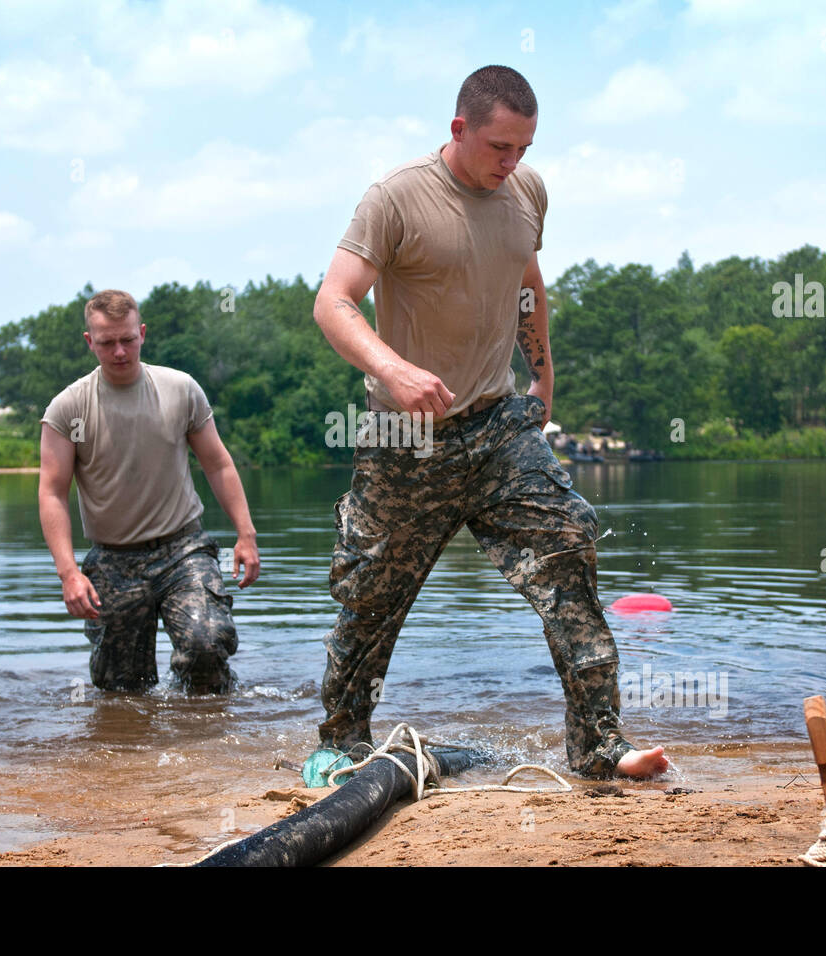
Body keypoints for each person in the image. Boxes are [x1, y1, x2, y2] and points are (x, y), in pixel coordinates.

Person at [312, 65, 668, 778]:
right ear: (459, 129)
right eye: (499, 148)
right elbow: (333, 302)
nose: (512, 165)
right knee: (373, 598)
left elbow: (527, 282)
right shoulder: (396, 198)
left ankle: (600, 746)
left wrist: (542, 375)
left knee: (567, 547)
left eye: (524, 150)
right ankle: (338, 742)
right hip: (404, 437)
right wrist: (393, 369)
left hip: (498, 426)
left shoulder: (527, 192)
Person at [38, 289, 259, 694]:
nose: (119, 351)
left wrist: (245, 534)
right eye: (107, 343)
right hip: (113, 559)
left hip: (183, 548)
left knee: (205, 645)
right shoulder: (67, 408)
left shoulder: (181, 389)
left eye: (127, 340)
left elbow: (218, 463)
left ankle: (206, 737)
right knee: (120, 690)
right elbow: (52, 492)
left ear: (142, 333)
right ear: (90, 342)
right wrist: (68, 572)